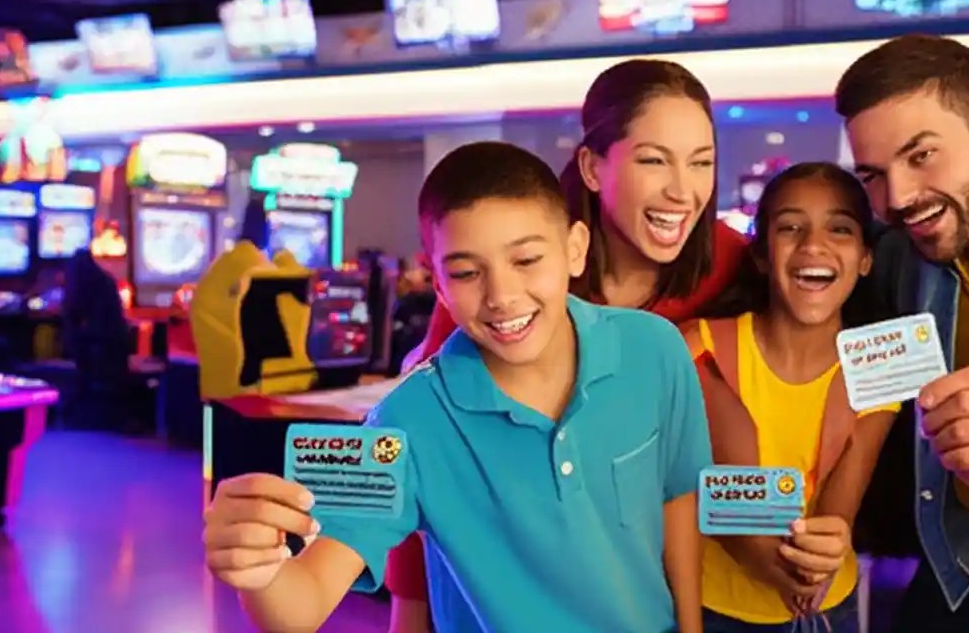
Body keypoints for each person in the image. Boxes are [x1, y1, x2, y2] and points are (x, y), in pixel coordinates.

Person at [203, 142, 712, 632]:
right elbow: (303, 603)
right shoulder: (404, 421)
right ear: (438, 284)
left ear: (574, 250)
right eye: (467, 272)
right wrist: (258, 567)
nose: (502, 296)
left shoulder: (654, 349)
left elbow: (678, 501)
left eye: (526, 260)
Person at [392, 58, 748, 631]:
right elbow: (430, 461)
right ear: (590, 166)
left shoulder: (730, 262)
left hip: (654, 589)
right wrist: (408, 614)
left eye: (701, 162)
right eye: (653, 160)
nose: (682, 191)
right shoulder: (498, 292)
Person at [837, 34, 969, 630]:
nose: (899, 197)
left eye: (922, 155)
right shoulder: (900, 258)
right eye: (873, 175)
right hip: (958, 567)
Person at [684, 163, 898, 631]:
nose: (813, 245)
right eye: (790, 228)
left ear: (865, 258)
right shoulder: (695, 348)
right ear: (761, 254)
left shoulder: (877, 366)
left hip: (825, 607)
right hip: (710, 606)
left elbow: (841, 506)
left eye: (839, 229)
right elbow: (687, 492)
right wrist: (770, 561)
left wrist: (821, 555)